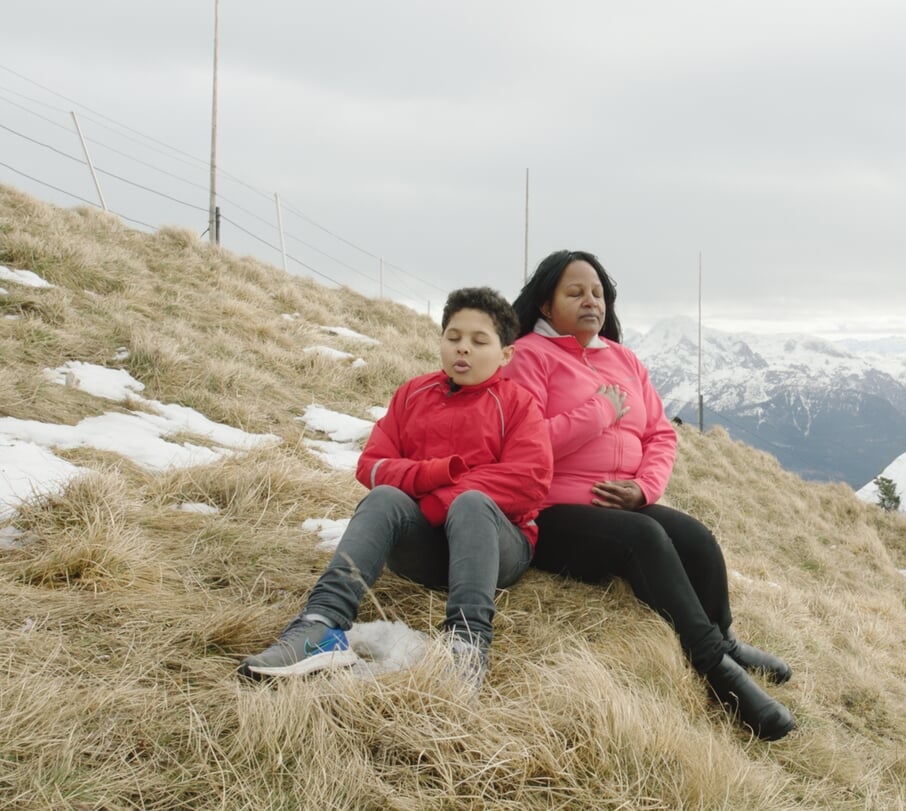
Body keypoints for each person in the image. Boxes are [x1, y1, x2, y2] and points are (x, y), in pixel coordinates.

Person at [504, 249, 795, 741]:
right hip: (553, 510)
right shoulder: (528, 356)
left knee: (695, 536)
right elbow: (525, 443)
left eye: (597, 292)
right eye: (574, 293)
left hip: (624, 505)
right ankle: (716, 671)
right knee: (643, 539)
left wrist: (643, 489)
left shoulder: (624, 360)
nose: (590, 301)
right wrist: (599, 412)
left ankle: (725, 638)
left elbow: (661, 434)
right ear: (546, 306)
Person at [240, 287, 551, 683]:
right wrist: (435, 475)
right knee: (385, 497)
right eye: (453, 337)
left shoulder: (519, 405)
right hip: (421, 549)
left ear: (506, 353)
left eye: (479, 341)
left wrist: (442, 500)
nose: (463, 349)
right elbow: (372, 467)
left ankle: (466, 645)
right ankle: (319, 625)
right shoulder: (412, 394)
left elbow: (531, 479)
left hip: (495, 551)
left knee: (472, 503)